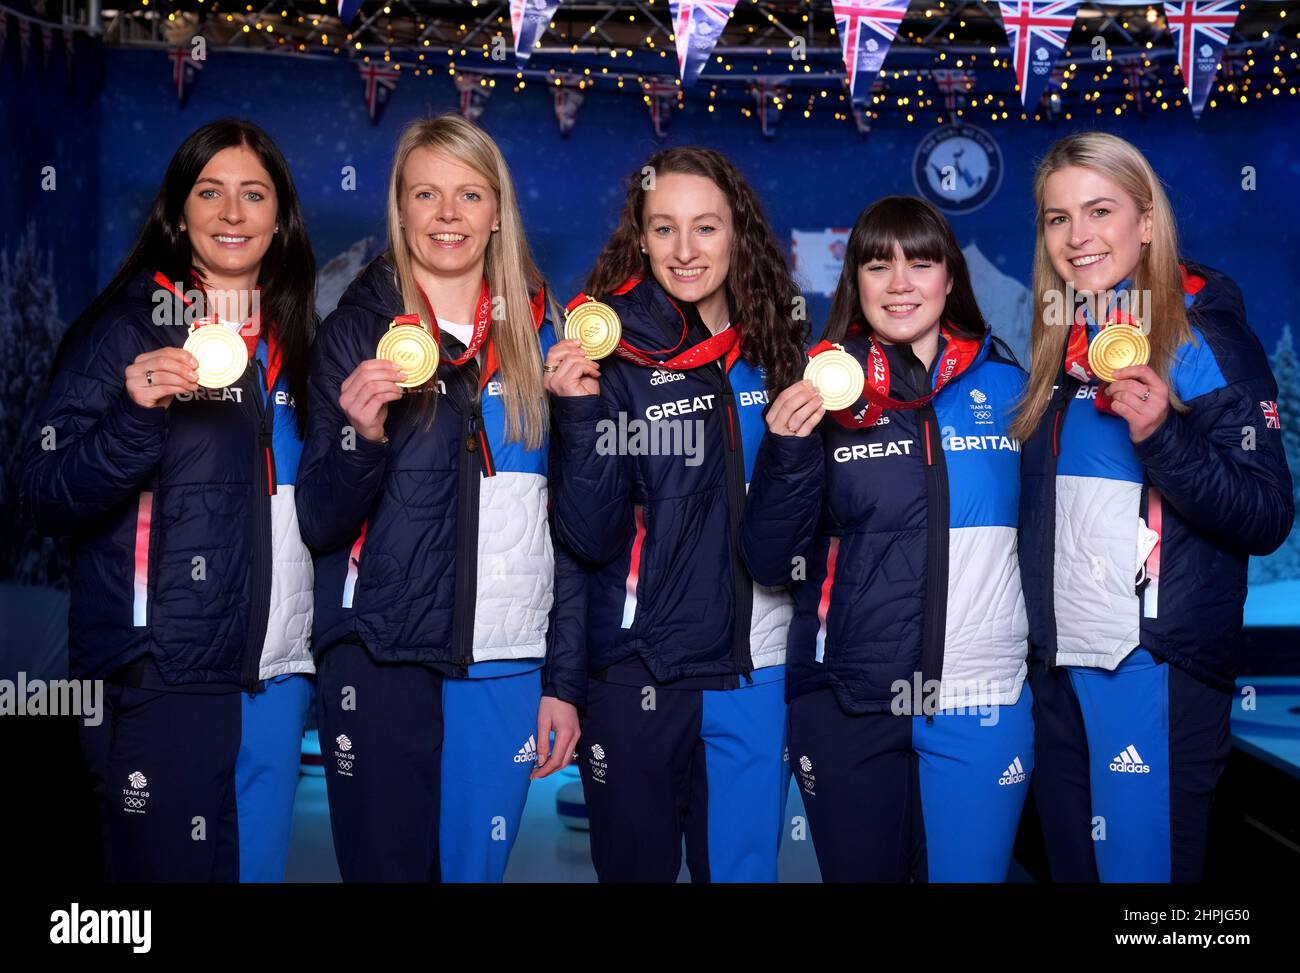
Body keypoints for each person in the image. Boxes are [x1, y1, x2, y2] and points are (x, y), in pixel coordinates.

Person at [19, 119, 318, 882]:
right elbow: (40, 490)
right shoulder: (128, 327)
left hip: (250, 669)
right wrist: (133, 416)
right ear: (178, 213)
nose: (232, 213)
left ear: (280, 218)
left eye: (254, 195)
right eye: (209, 192)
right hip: (156, 664)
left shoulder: (288, 340)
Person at [295, 114, 584, 883]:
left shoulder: (543, 336)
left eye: (469, 194)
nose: (448, 214)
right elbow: (318, 520)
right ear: (400, 208)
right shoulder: (354, 334)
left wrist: (563, 682)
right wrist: (361, 435)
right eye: (426, 193)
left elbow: (574, 532)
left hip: (505, 659)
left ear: (498, 212)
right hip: (381, 653)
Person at [1013, 132, 1294, 882]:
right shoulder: (1061, 345)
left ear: (1146, 221)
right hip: (1060, 669)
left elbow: (1267, 514)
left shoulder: (1206, 337)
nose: (1078, 236)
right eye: (1058, 218)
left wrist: (1164, 436)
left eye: (1099, 211)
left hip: (1153, 667)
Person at [741, 195, 1033, 882]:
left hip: (980, 695)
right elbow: (769, 560)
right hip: (847, 699)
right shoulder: (821, 390)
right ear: (856, 281)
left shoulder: (1012, 387)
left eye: (920, 263)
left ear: (950, 277)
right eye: (878, 265)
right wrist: (788, 451)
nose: (900, 283)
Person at [545, 146, 806, 882]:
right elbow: (586, 537)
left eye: (706, 227)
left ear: (738, 233)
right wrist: (580, 416)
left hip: (754, 668)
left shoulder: (778, 350)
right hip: (638, 668)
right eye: (665, 229)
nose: (686, 250)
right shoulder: (606, 353)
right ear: (641, 238)